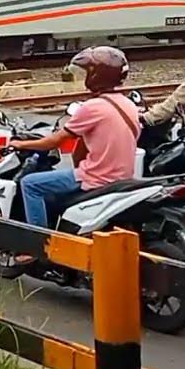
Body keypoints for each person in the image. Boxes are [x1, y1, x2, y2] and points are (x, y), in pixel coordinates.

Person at [8, 46, 140, 235]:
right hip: (123, 178)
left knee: (30, 184)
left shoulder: (92, 107)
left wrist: (19, 144)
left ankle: (38, 241)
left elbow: (54, 142)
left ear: (96, 75)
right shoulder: (128, 104)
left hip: (97, 177)